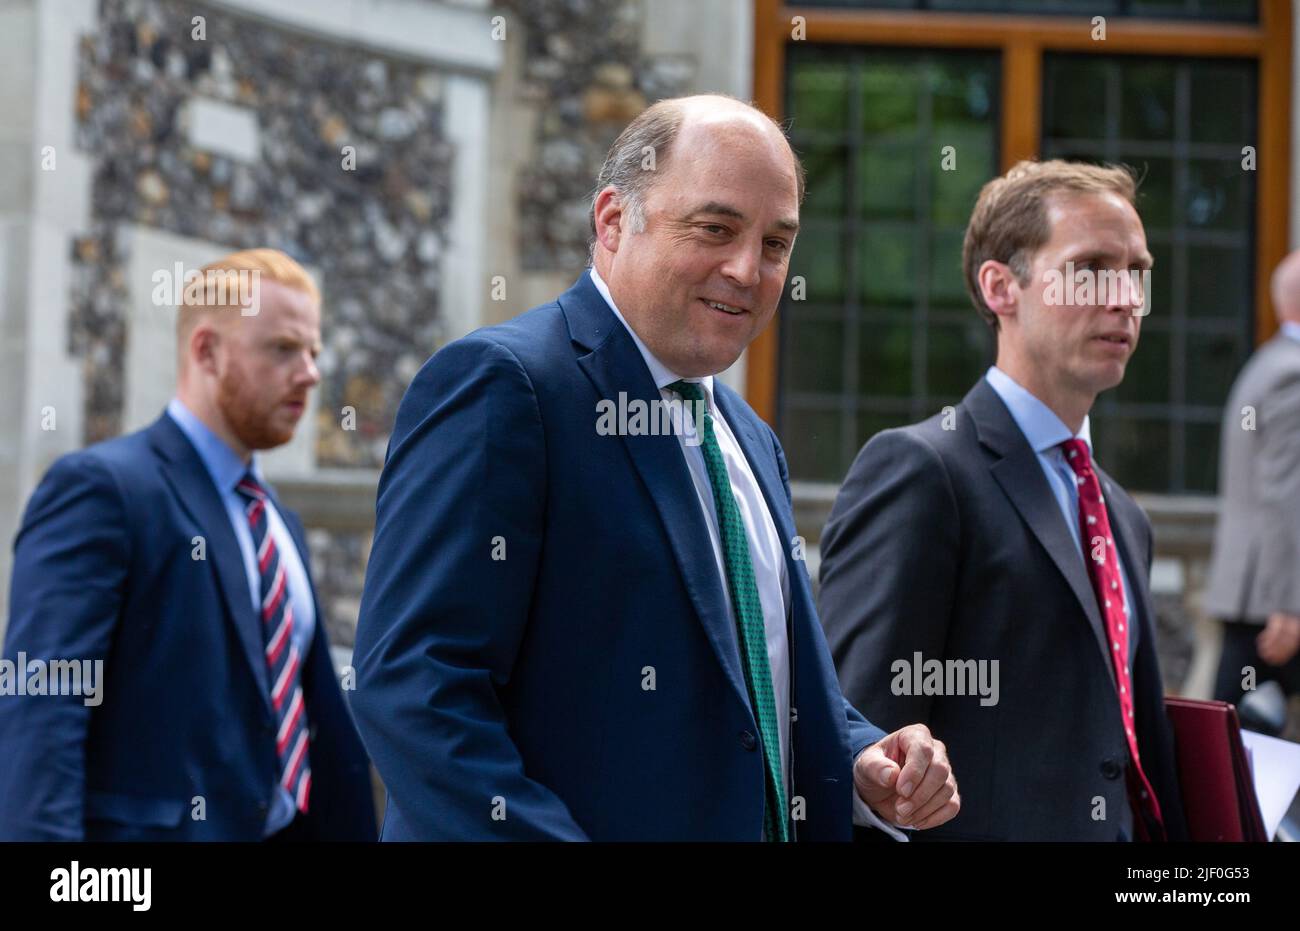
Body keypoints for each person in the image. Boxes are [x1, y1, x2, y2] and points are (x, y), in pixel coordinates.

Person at [350, 95, 959, 840]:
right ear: (613, 221)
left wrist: (864, 755)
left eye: (775, 244)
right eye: (715, 228)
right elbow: (414, 688)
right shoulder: (503, 385)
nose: (747, 269)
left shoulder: (746, 435)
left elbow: (754, 681)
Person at [819, 160, 1187, 841]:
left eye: (1138, 271)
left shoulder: (1121, 515)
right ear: (1000, 287)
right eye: (1092, 267)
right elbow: (856, 744)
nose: (1125, 297)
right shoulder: (922, 471)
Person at [0, 249, 375, 841]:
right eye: (282, 349)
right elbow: (42, 707)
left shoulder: (278, 521)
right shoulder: (102, 490)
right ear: (206, 351)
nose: (310, 373)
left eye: (313, 352)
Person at [1206, 248, 1300, 708]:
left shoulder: (1270, 361)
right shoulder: (1293, 374)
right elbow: (1286, 493)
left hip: (1255, 593)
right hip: (1272, 604)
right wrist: (1291, 604)